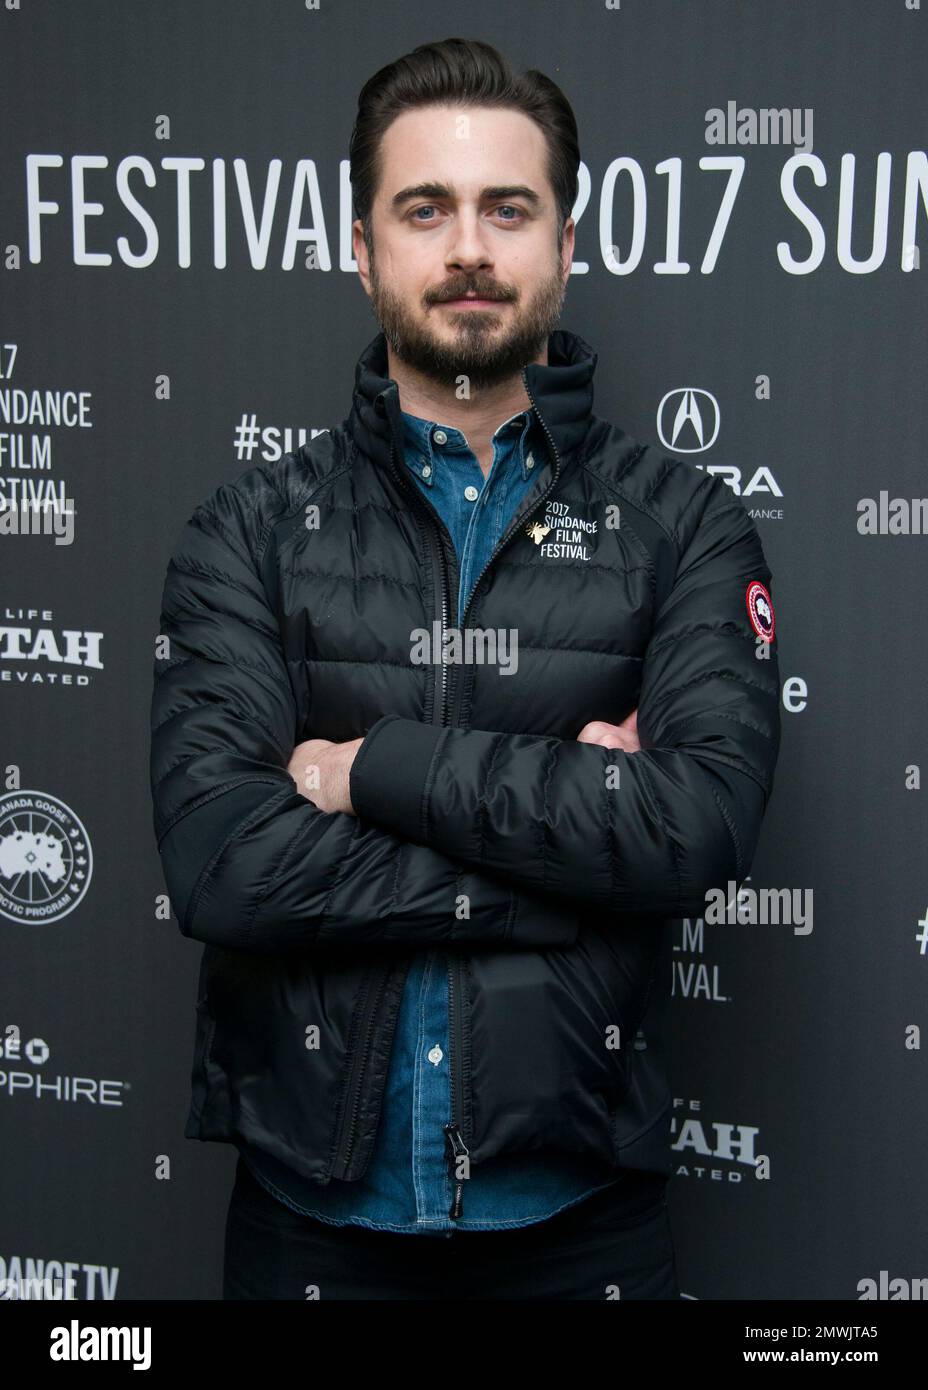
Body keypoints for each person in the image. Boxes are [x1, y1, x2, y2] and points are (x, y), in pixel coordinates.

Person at [149, 36, 781, 1300]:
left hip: (583, 1227)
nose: (469, 250)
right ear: (360, 244)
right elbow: (225, 864)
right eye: (423, 209)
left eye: (509, 207)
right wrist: (581, 851)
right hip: (312, 1230)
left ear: (563, 239)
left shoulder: (686, 525)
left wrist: (376, 767)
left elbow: (694, 827)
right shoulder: (247, 531)